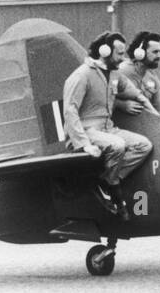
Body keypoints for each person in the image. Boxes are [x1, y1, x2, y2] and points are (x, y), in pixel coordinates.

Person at [62, 32, 153, 220]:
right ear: (104, 51)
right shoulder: (81, 75)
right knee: (117, 145)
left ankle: (107, 178)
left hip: (108, 129)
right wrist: (84, 144)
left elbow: (131, 91)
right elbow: (70, 110)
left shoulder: (113, 74)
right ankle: (111, 184)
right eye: (119, 53)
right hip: (87, 132)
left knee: (144, 145)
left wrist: (146, 102)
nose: (123, 58)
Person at [117, 31, 160, 116]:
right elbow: (99, 98)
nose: (159, 56)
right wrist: (120, 104)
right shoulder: (120, 72)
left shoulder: (152, 76)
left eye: (159, 52)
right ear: (140, 53)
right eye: (155, 52)